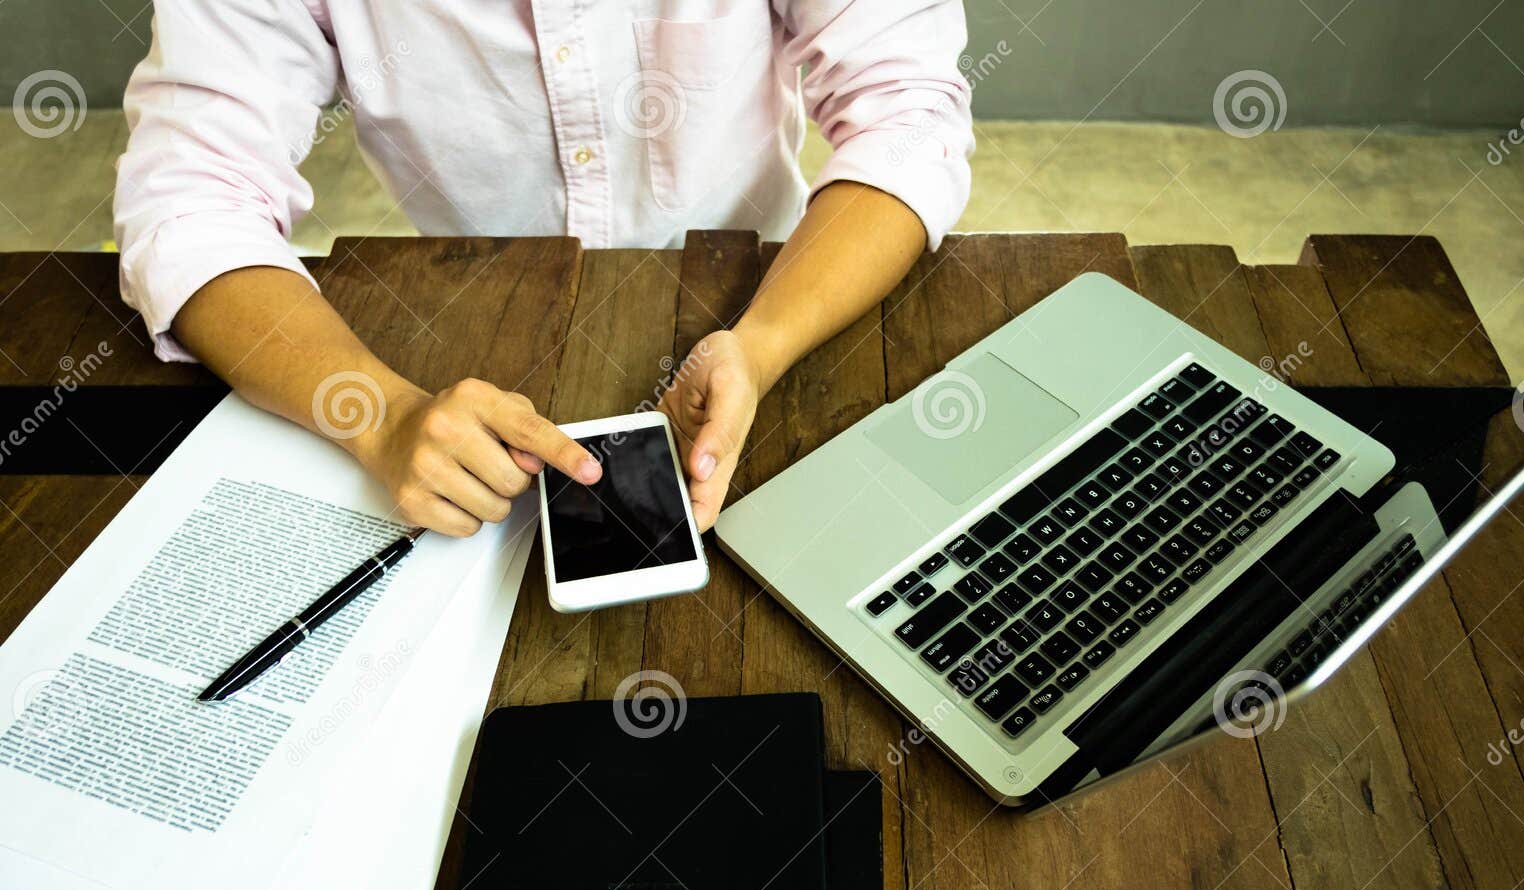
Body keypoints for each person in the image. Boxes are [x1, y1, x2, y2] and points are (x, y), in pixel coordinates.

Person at [114, 2, 974, 536]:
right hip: (461, 344)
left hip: (776, 300)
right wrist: (382, 418)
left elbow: (908, 115)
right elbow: (189, 200)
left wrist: (762, 344)